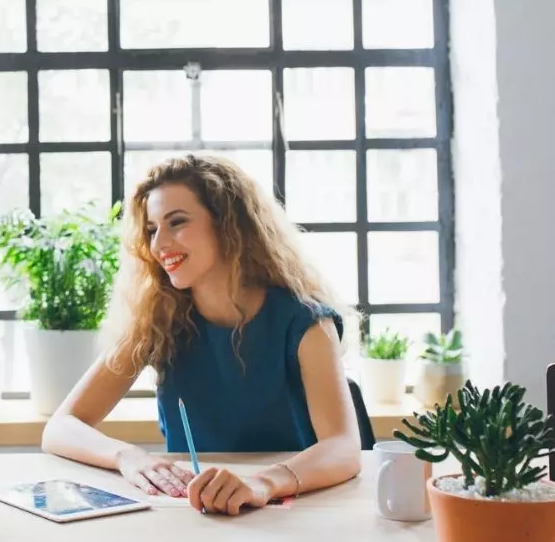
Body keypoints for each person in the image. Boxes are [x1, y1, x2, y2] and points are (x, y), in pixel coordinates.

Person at [40, 153, 362, 516]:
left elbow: (343, 447)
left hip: (292, 514)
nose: (159, 244)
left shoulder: (306, 322)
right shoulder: (157, 319)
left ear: (228, 226)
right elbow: (60, 427)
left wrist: (262, 483)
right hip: (194, 514)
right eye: (151, 229)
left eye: (176, 222)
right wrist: (128, 457)